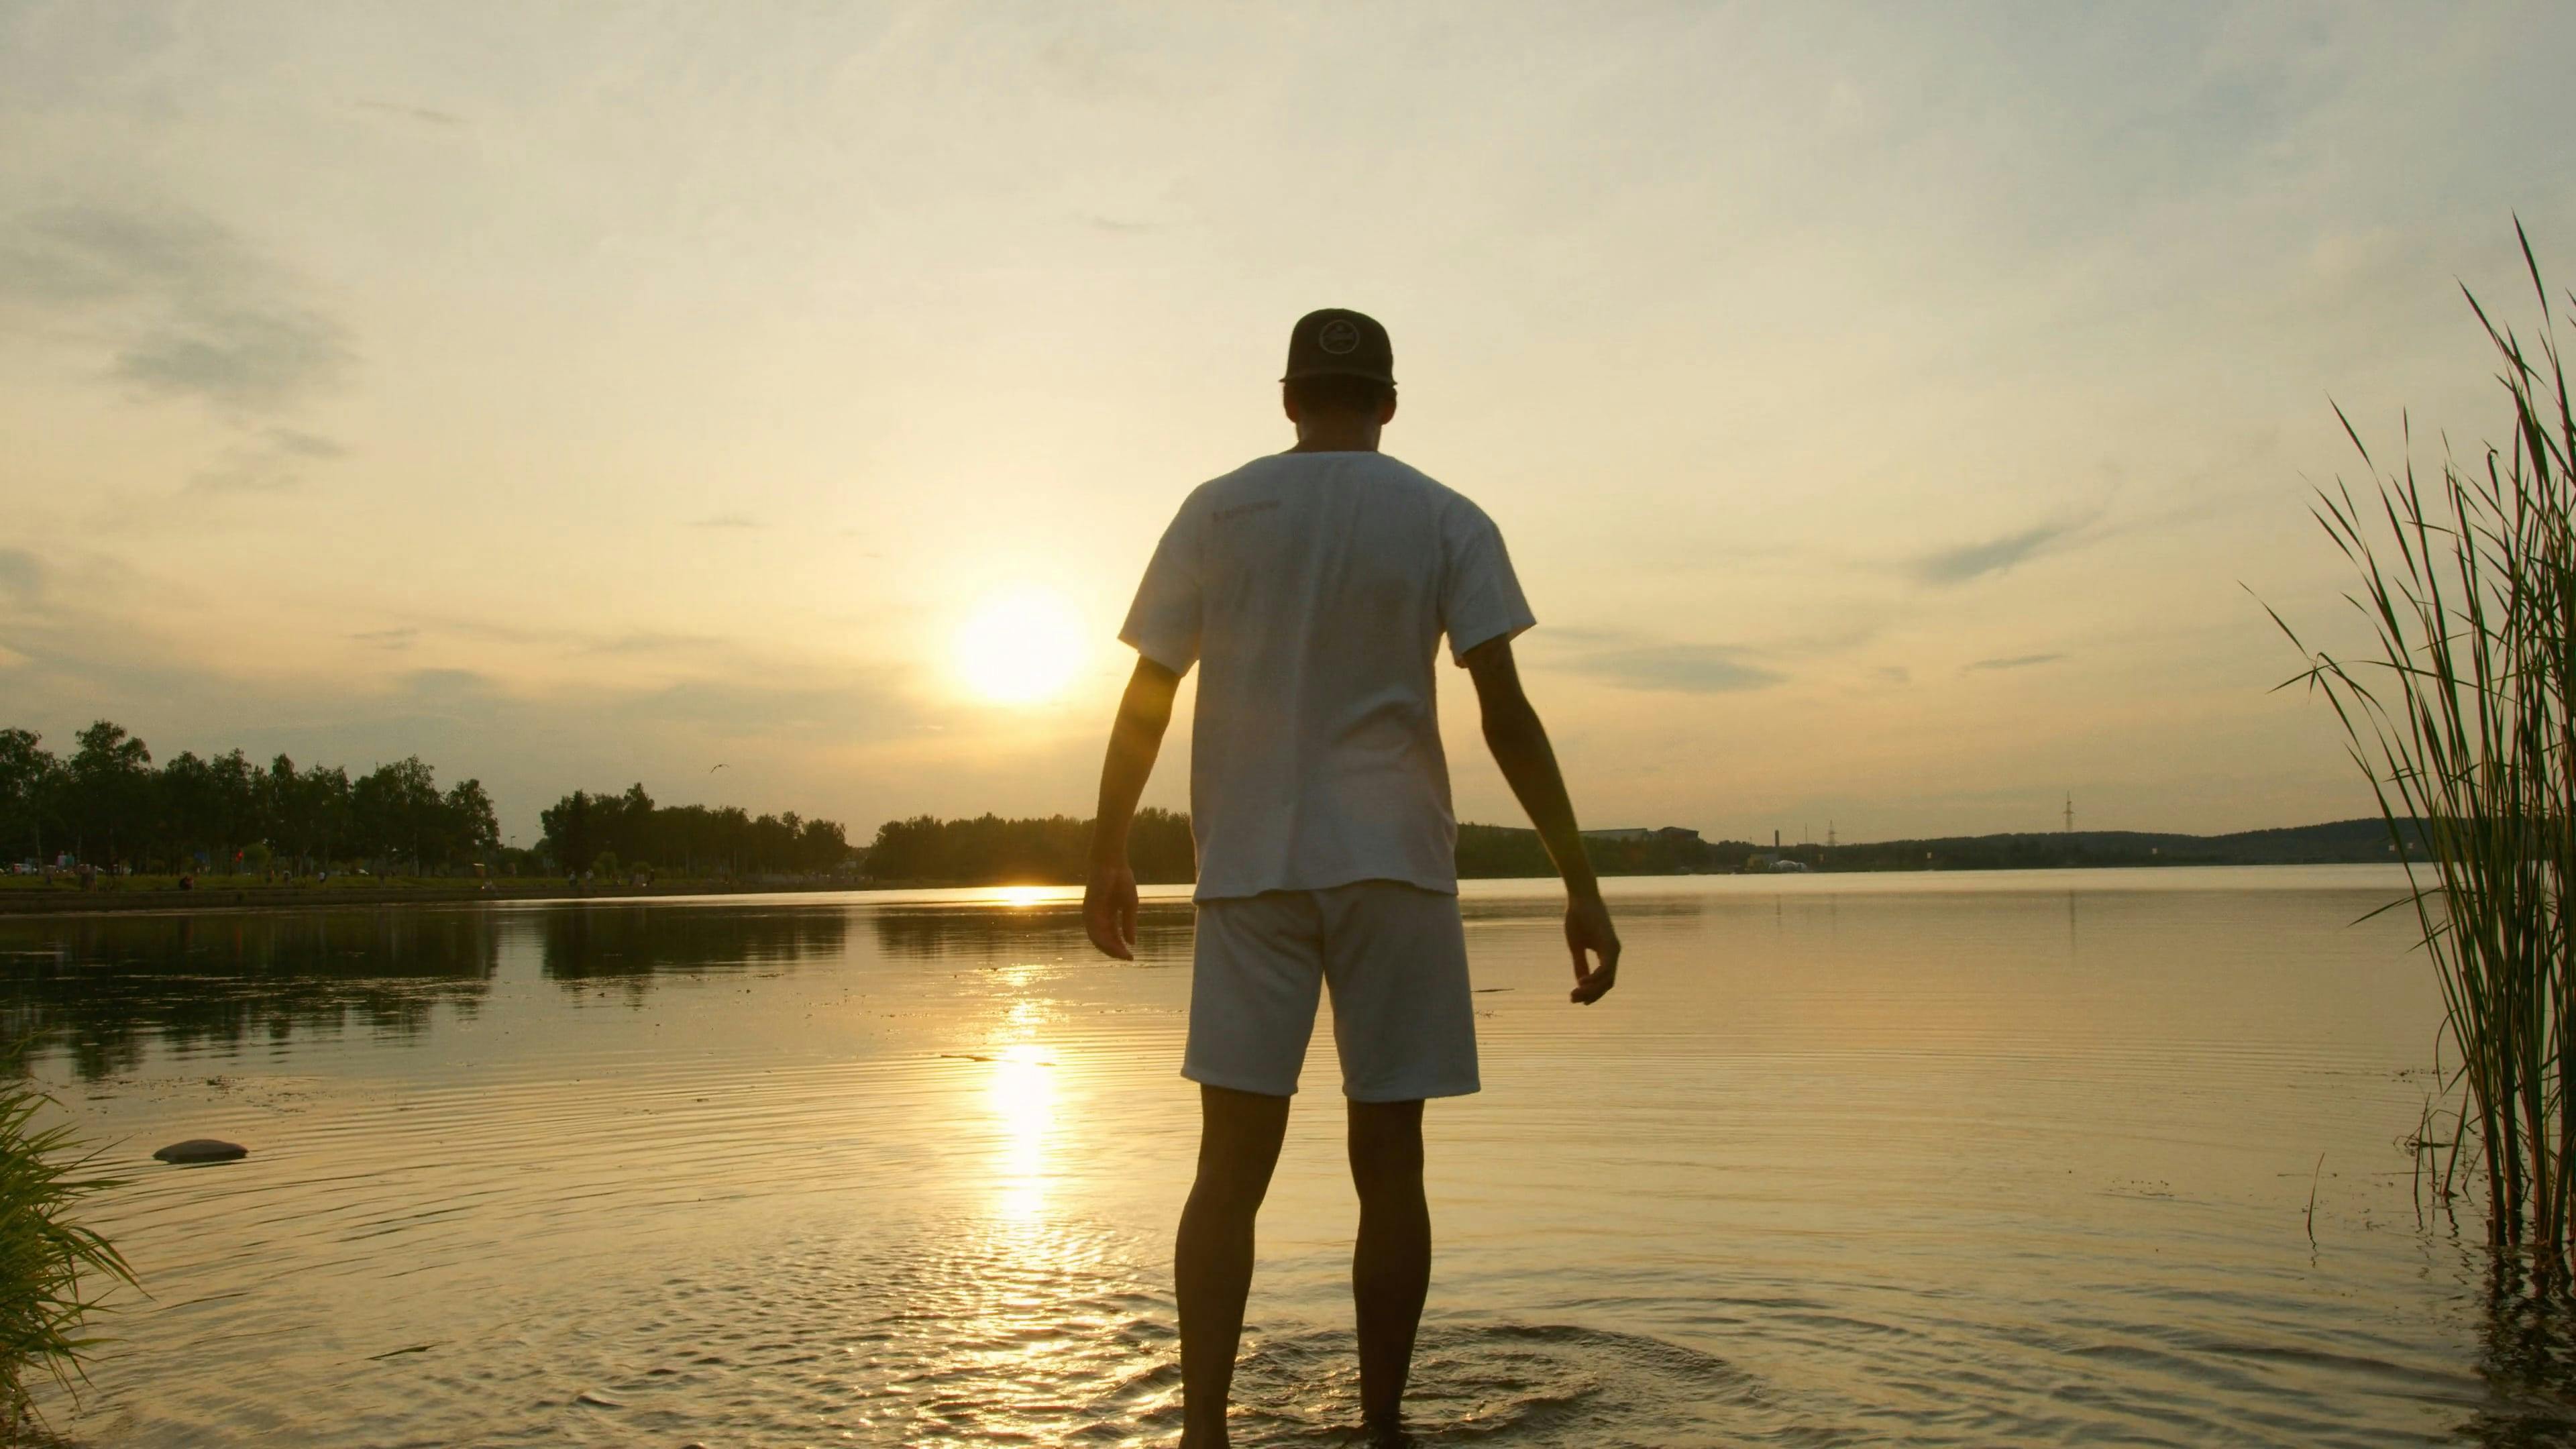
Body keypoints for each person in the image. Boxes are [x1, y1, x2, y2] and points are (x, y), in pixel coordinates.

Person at [1082, 308, 1622, 1448]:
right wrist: (1580, 881)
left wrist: (1107, 852)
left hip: (1250, 870)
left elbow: (1148, 694)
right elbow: (1506, 714)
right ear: (1388, 402)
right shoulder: (1443, 515)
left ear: (1287, 401)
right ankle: (1382, 1427)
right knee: (1392, 1163)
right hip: (1395, 868)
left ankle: (1204, 1434)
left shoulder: (1216, 509)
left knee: (1228, 1166)